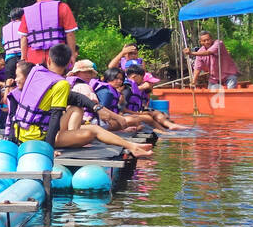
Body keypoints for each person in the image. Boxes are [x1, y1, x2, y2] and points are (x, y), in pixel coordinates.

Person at [9, 44, 153, 158]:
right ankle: (132, 147)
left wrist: (98, 109)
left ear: (48, 60)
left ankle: (132, 146)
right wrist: (48, 150)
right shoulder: (61, 84)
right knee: (91, 133)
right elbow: (55, 118)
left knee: (77, 108)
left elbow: (76, 99)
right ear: (69, 65)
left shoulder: (36, 72)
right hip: (37, 138)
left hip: (21, 131)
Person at [19, 0, 78, 64]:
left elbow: (23, 37)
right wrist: (72, 55)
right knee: (58, 77)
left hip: (34, 57)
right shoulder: (62, 7)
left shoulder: (28, 12)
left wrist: (23, 57)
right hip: (58, 56)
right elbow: (70, 34)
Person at [1, 7, 24, 80]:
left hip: (9, 59)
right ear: (23, 17)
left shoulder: (5, 28)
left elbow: (3, 42)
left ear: (11, 18)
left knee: (9, 83)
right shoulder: (24, 25)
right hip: (23, 58)